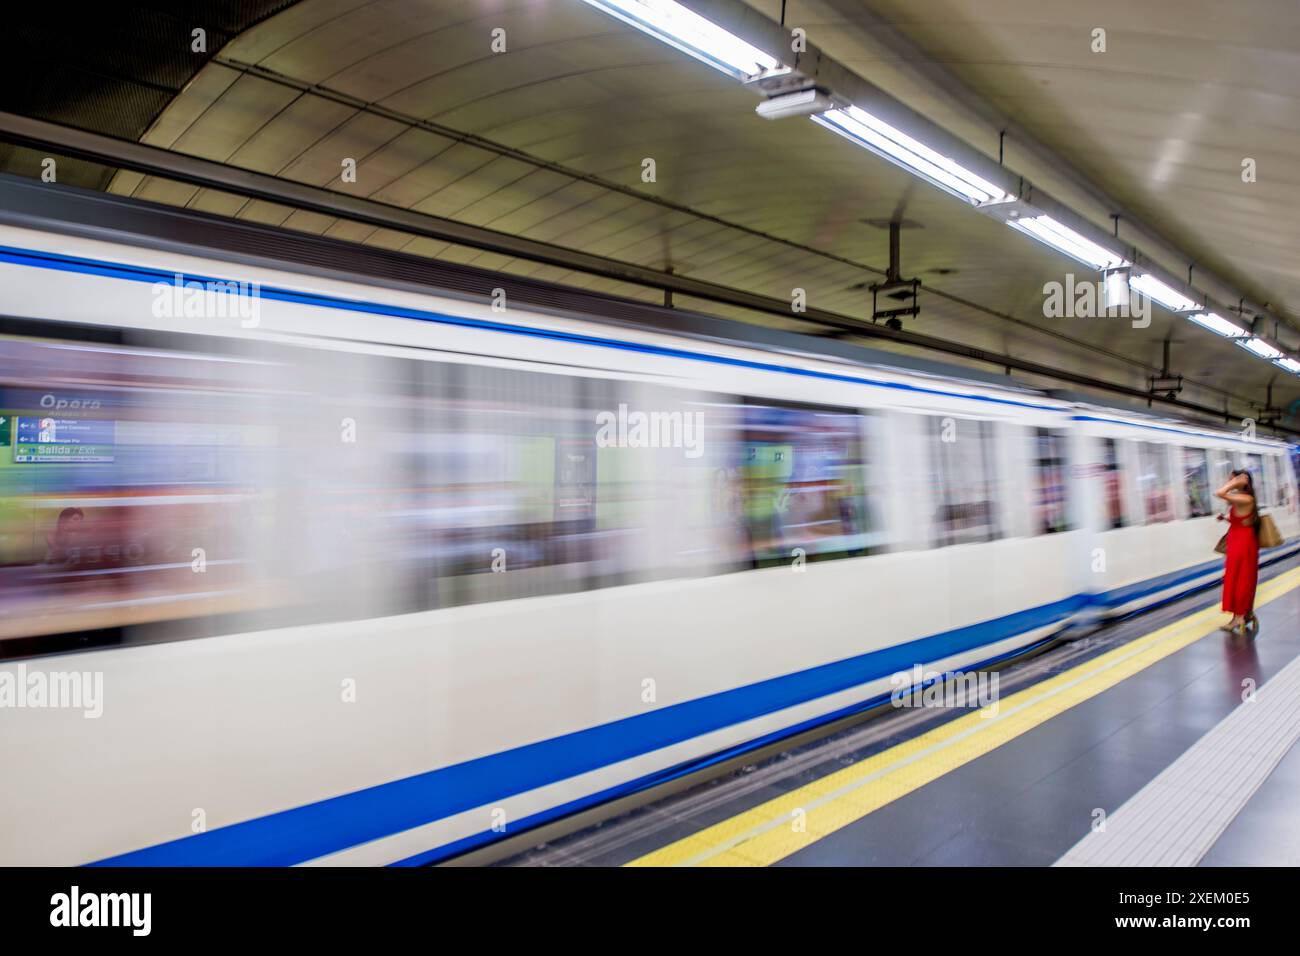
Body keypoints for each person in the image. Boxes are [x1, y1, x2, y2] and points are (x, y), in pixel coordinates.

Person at [1215, 470, 1259, 634]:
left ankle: (1239, 618)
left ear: (1243, 481)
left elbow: (1219, 493)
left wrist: (1234, 483)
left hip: (1243, 544)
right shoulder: (1243, 499)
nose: (1230, 480)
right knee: (1236, 578)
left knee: (1241, 579)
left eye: (1234, 478)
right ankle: (1242, 615)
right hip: (1238, 541)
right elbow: (1241, 520)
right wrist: (1226, 518)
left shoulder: (1246, 498)